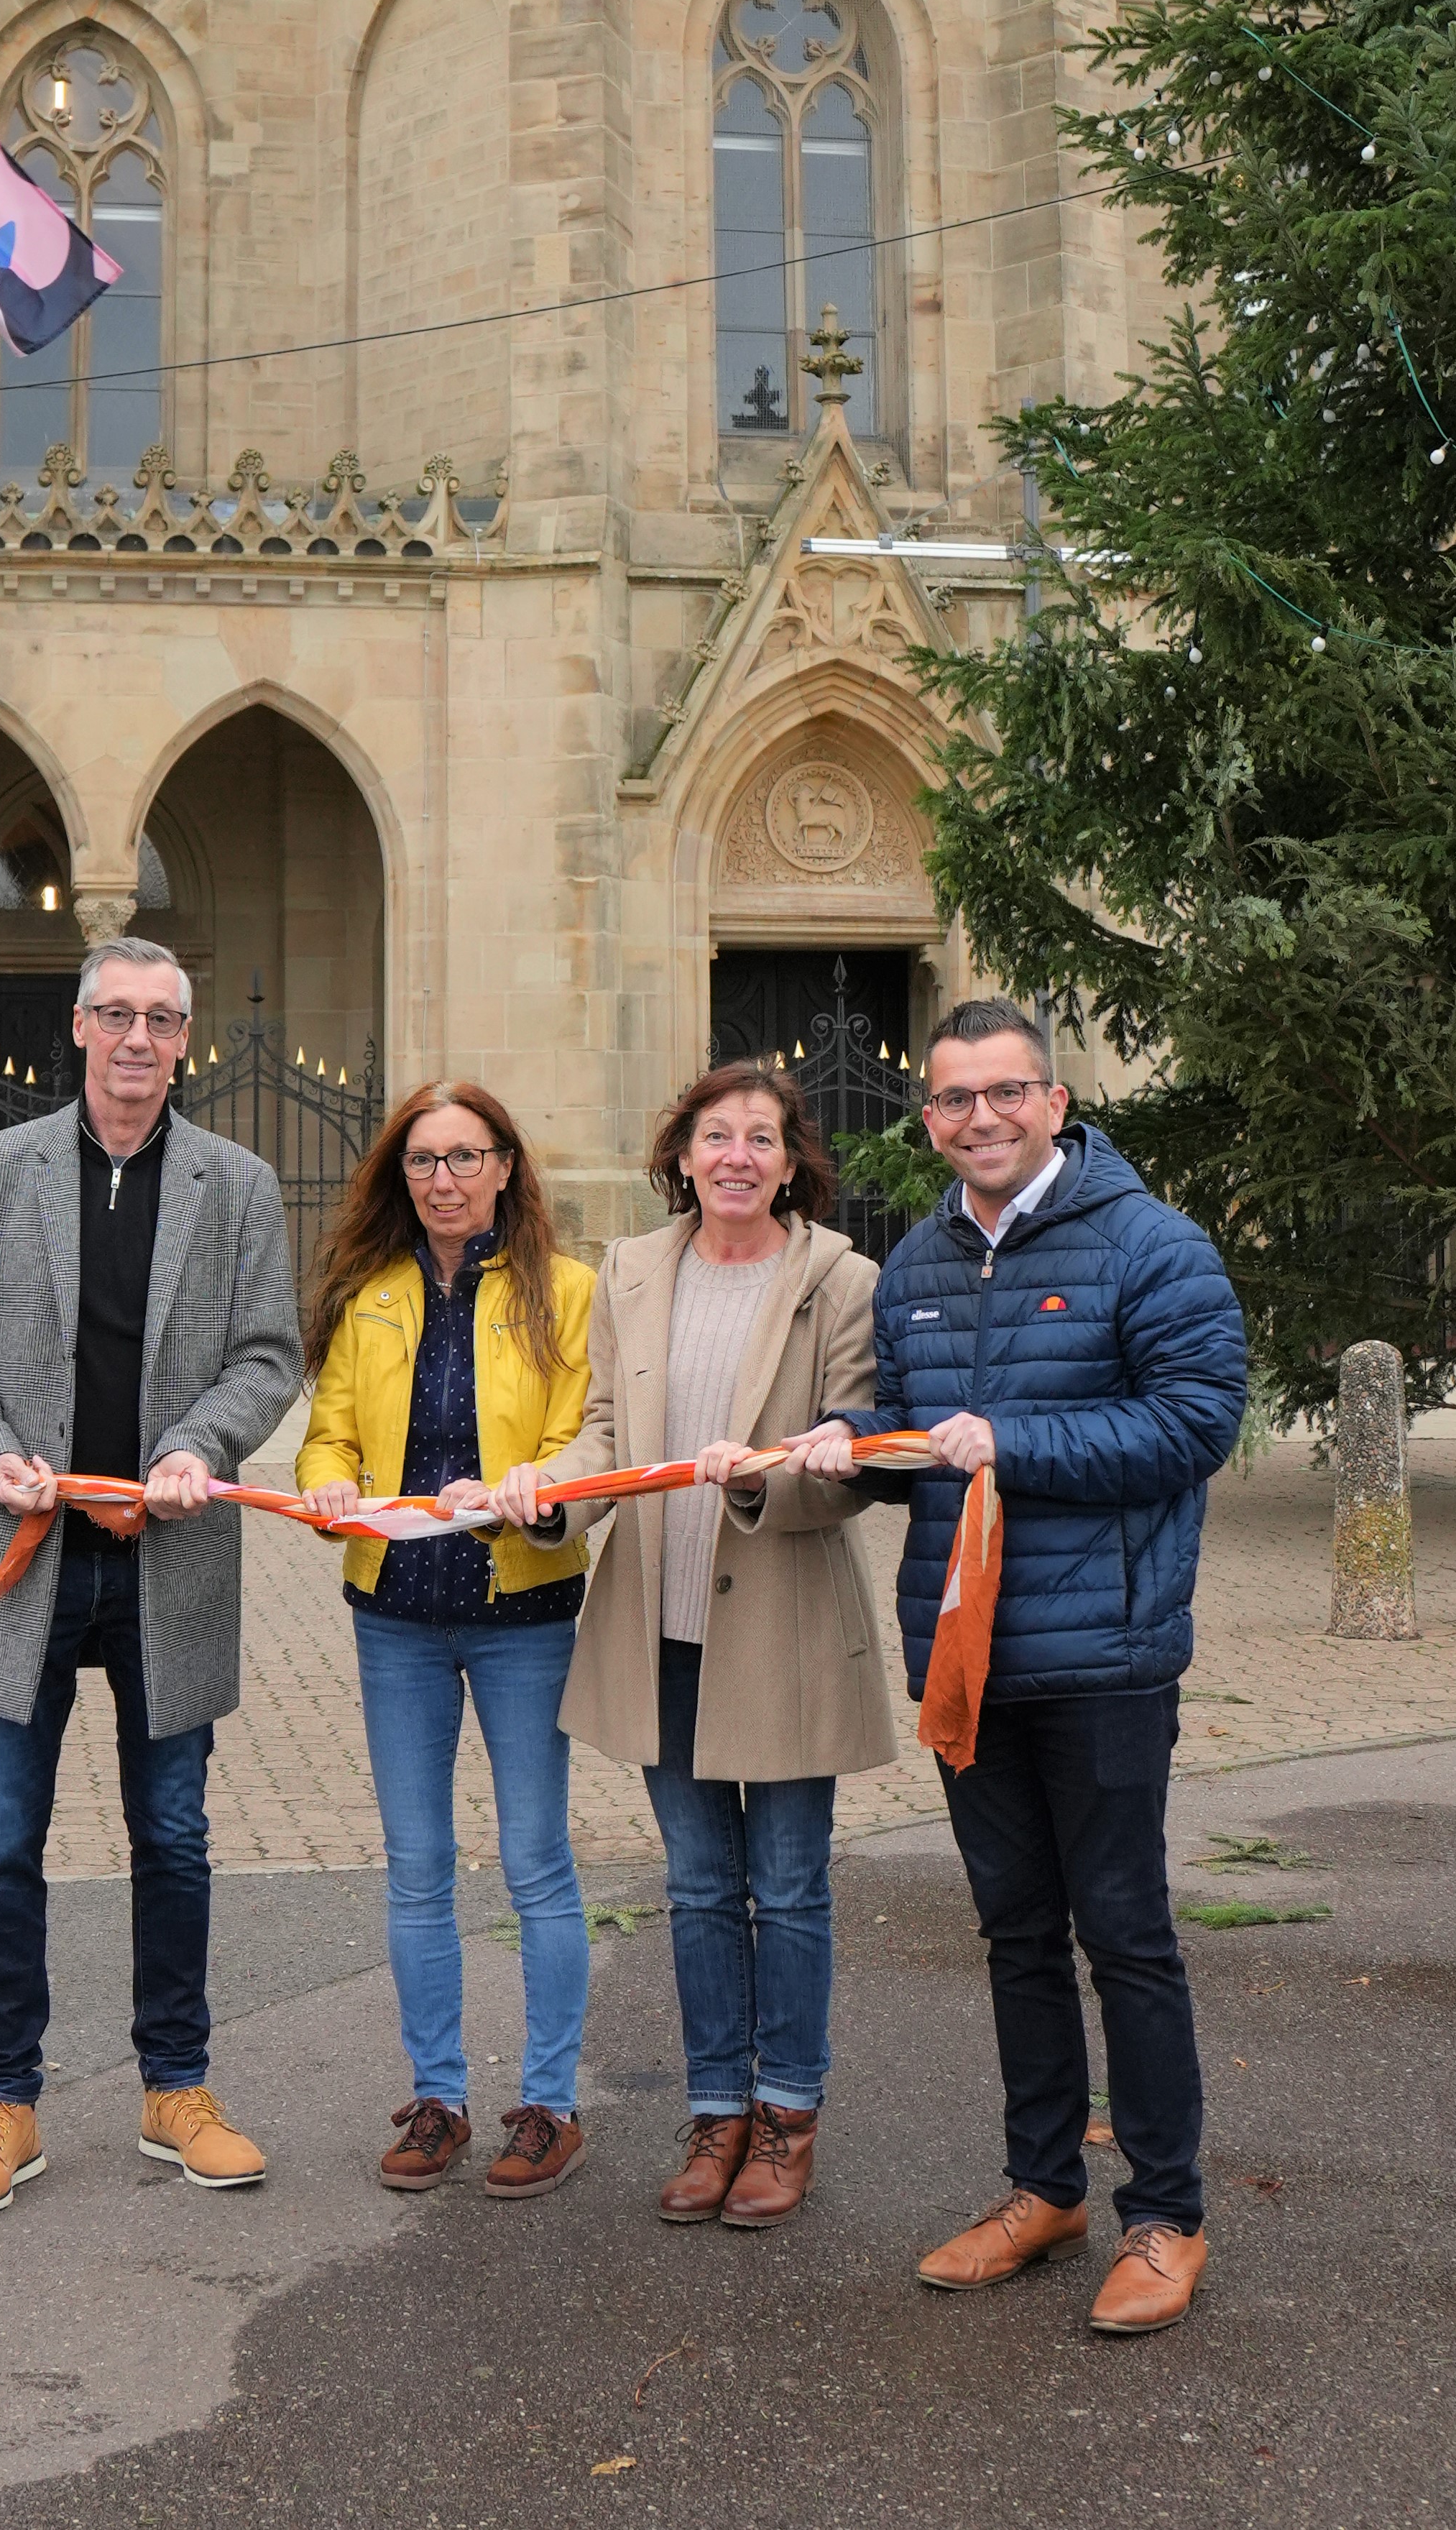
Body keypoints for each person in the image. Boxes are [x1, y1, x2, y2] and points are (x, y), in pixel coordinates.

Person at [780, 997, 1248, 2335]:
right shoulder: (920, 1258)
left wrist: (1016, 1444)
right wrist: (851, 1435)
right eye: (952, 1099)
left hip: (1103, 1653)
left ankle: (1166, 2215)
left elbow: (1196, 1420)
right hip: (966, 1651)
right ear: (927, 1118)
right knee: (1015, 1936)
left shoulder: (1151, 1243)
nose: (978, 1117)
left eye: (1004, 1092)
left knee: (1128, 1936)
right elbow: (924, 1422)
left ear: (1053, 1100)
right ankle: (1043, 2189)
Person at [0, 932, 302, 2216]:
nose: (139, 1039)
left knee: (175, 1840)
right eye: (116, 1014)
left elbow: (265, 1356)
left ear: (186, 1042)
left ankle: (175, 2090)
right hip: (26, 1560)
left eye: (163, 1020)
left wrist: (198, 1442)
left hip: (167, 1561)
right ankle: (3, 2105)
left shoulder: (237, 1184)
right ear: (78, 1027)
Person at [489, 1063, 892, 2230]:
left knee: (790, 1884)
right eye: (717, 1135)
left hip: (783, 1630)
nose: (736, 1156)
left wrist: (777, 1478)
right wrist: (551, 1491)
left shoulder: (839, 1279)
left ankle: (786, 2117)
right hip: (659, 1624)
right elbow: (608, 1430)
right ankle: (716, 2111)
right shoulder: (632, 1268)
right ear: (682, 1151)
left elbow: (853, 1459)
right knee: (702, 1887)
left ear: (790, 1159)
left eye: (760, 1138)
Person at [298, 1082, 598, 2199]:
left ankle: (551, 2106)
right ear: (402, 1175)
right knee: (418, 1867)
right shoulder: (374, 1295)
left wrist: (545, 1486)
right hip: (399, 1618)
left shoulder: (565, 1294)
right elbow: (327, 1434)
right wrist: (330, 1490)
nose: (444, 1178)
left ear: (507, 1167)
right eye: (424, 1160)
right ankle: (438, 2098)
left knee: (536, 1861)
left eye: (466, 1156)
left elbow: (581, 1436)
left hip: (525, 1612)